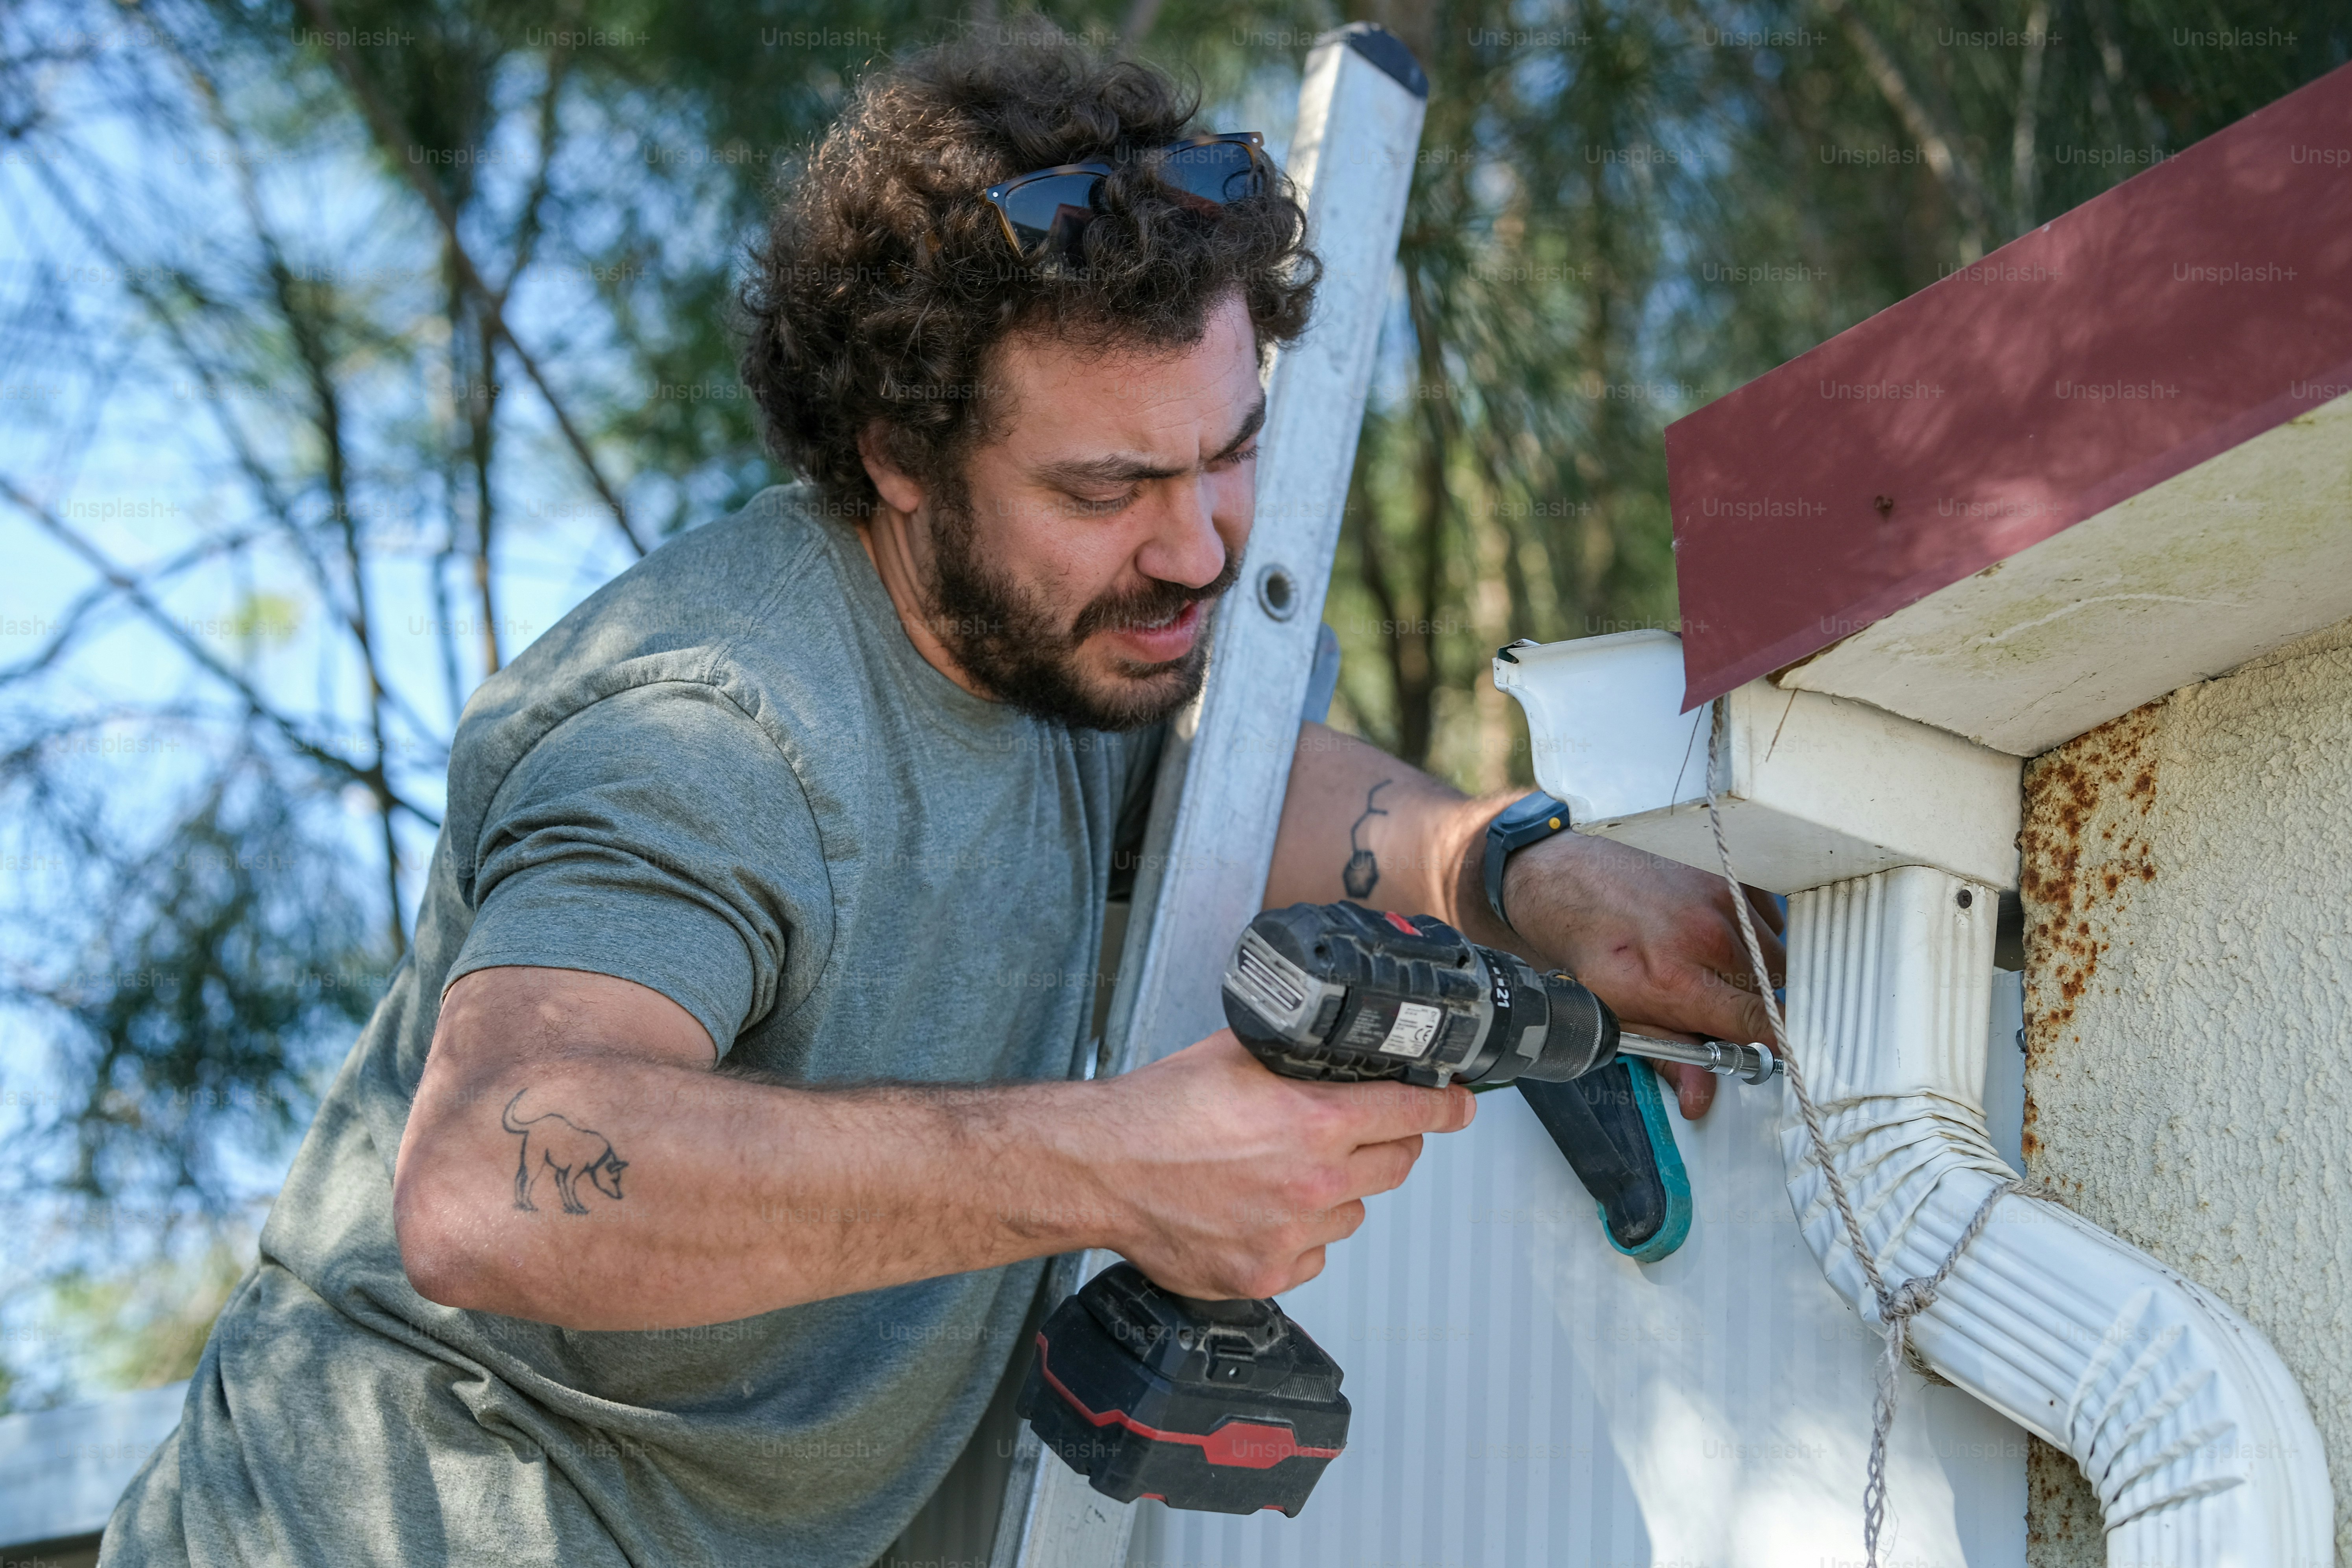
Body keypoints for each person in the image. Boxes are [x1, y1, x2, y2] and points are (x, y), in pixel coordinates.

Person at [102, 28, 1781, 1568]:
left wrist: (1510, 869)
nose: (1196, 550)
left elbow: (1227, 782)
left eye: (1227, 454)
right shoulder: (707, 726)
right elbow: (488, 1179)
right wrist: (1119, 1161)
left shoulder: (1079, 632)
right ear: (897, 454)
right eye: (1107, 486)